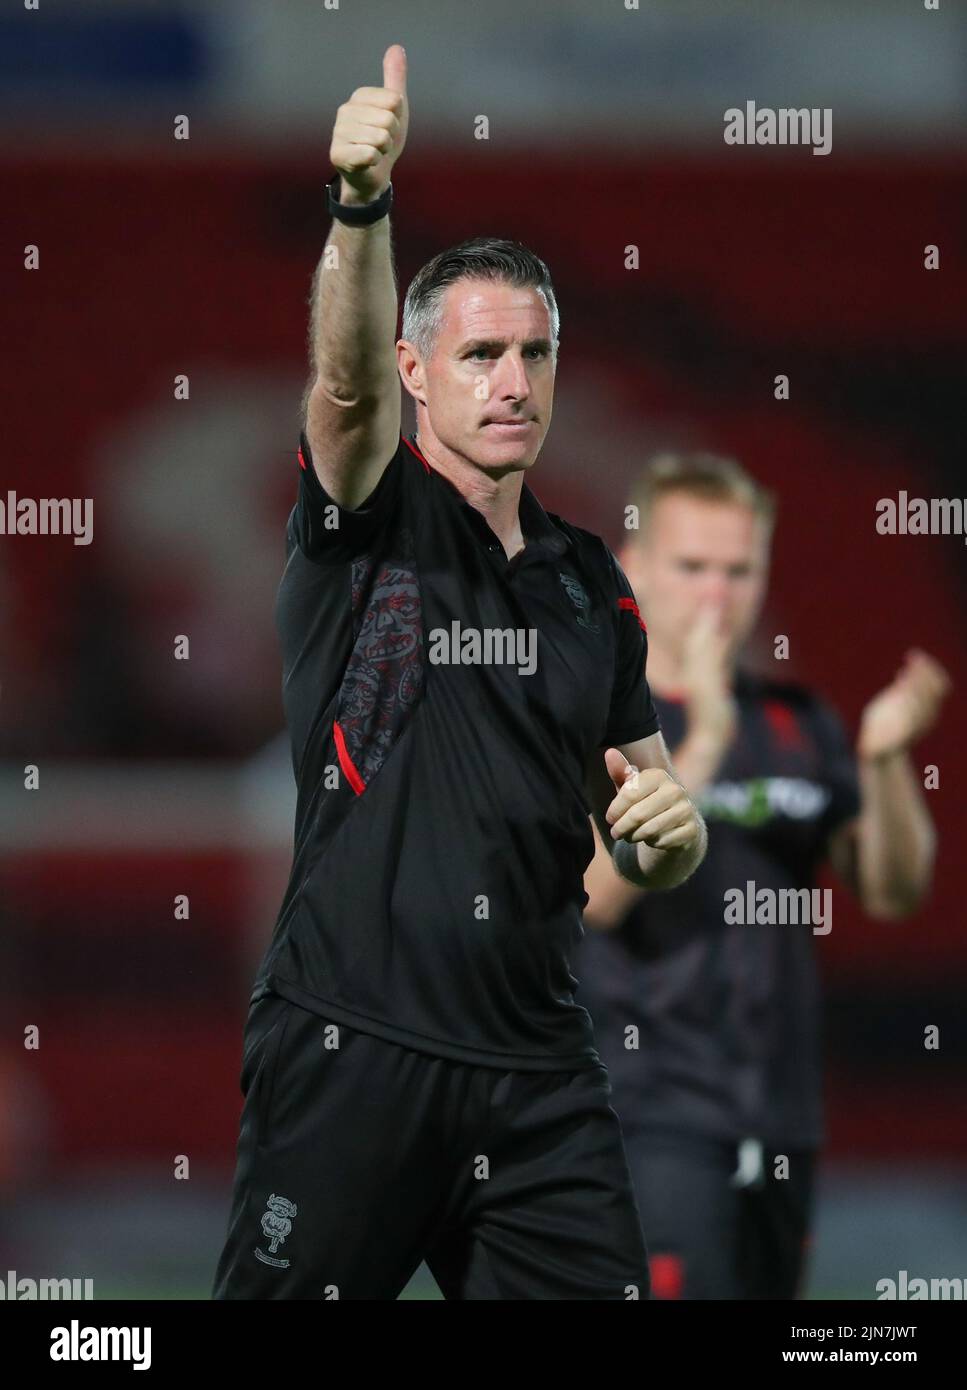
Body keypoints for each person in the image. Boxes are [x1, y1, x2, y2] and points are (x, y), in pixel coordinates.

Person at [211, 43, 707, 1301]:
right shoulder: (367, 517)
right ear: (419, 373)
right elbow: (339, 382)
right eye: (481, 355)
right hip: (353, 1047)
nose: (513, 383)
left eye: (535, 355)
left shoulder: (590, 579)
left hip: (538, 1071)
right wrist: (362, 205)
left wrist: (666, 836)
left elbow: (648, 825)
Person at [577, 451, 950, 1299]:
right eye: (692, 566)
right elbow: (595, 900)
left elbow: (892, 891)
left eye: (739, 569)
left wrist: (885, 763)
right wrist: (701, 739)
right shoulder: (585, 721)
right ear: (633, 569)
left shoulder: (796, 723)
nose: (717, 594)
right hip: (644, 1121)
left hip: (781, 1120)